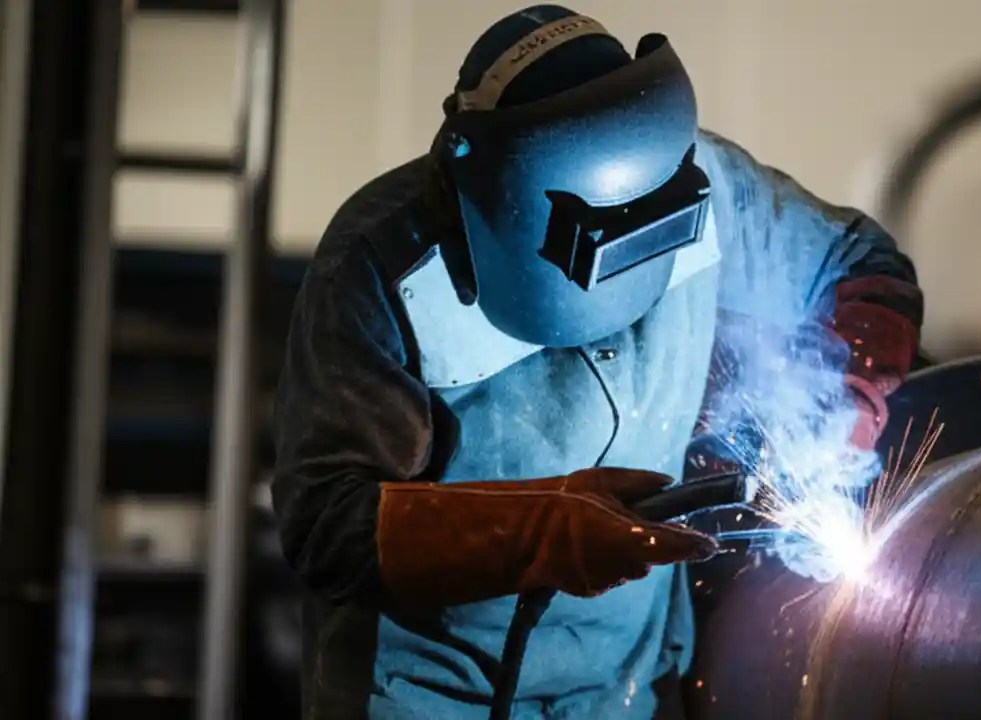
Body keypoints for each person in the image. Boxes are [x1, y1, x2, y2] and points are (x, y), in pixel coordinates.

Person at [271, 5, 923, 719]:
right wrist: (541, 532)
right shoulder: (378, 269)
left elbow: (863, 267)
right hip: (425, 698)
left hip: (628, 693)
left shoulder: (712, 189)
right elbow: (328, 525)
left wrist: (835, 406)